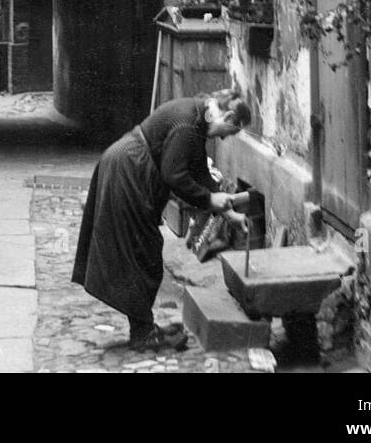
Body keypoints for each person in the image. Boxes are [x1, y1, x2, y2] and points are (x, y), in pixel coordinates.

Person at [72, 89, 252, 351]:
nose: (224, 137)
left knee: (143, 250)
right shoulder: (189, 126)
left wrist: (230, 215)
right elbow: (175, 175)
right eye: (229, 131)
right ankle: (142, 333)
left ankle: (143, 328)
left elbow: (200, 173)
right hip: (128, 170)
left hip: (128, 165)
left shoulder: (196, 118)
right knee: (142, 252)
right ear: (229, 115)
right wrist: (210, 201)